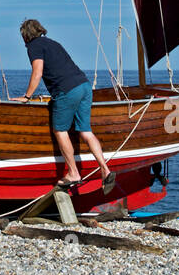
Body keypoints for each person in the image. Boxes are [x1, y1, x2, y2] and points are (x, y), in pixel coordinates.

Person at [16, 18, 115, 194]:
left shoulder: (34, 46)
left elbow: (37, 72)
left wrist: (27, 96)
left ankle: (73, 172)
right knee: (85, 131)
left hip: (67, 90)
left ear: (25, 36)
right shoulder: (53, 43)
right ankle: (105, 169)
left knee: (60, 130)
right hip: (84, 85)